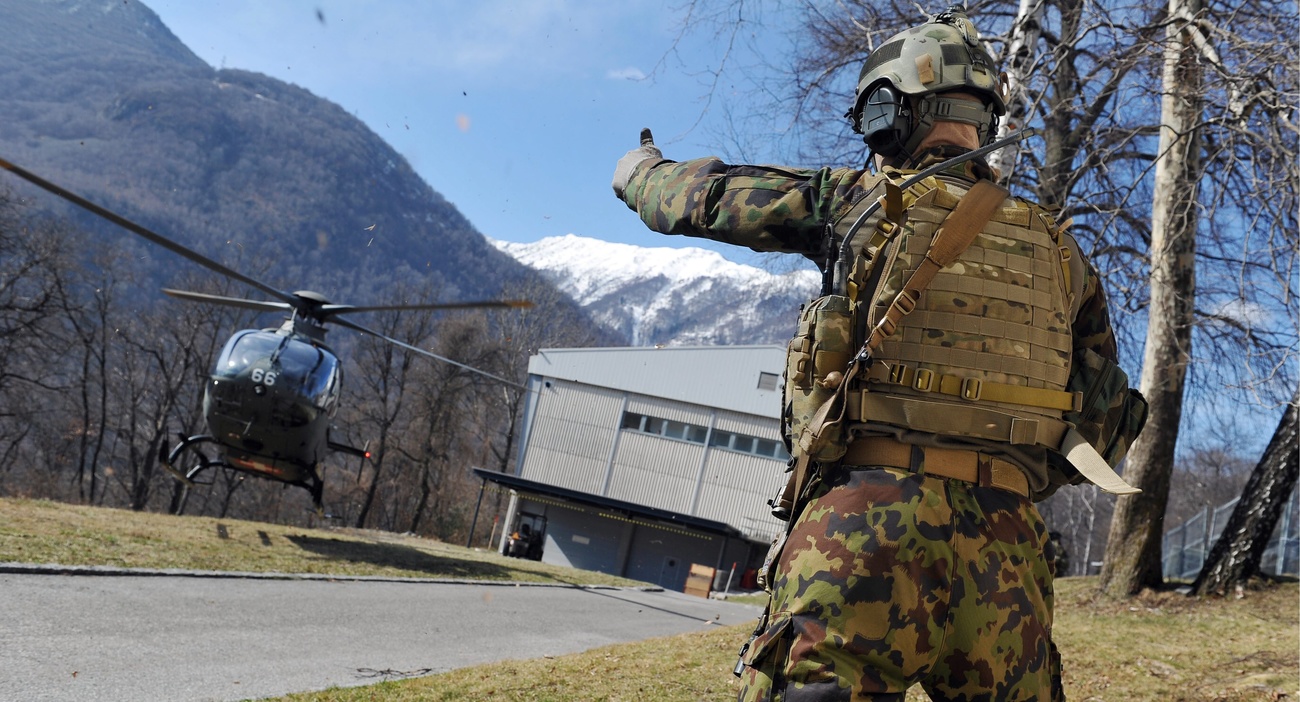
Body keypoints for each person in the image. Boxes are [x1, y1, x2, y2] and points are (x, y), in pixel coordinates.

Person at [612, 6, 1144, 701]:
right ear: (981, 120)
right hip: (1008, 556)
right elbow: (1105, 419)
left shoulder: (853, 201)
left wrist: (638, 170)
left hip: (862, 535)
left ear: (892, 113)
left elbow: (703, 198)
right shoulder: (1061, 253)